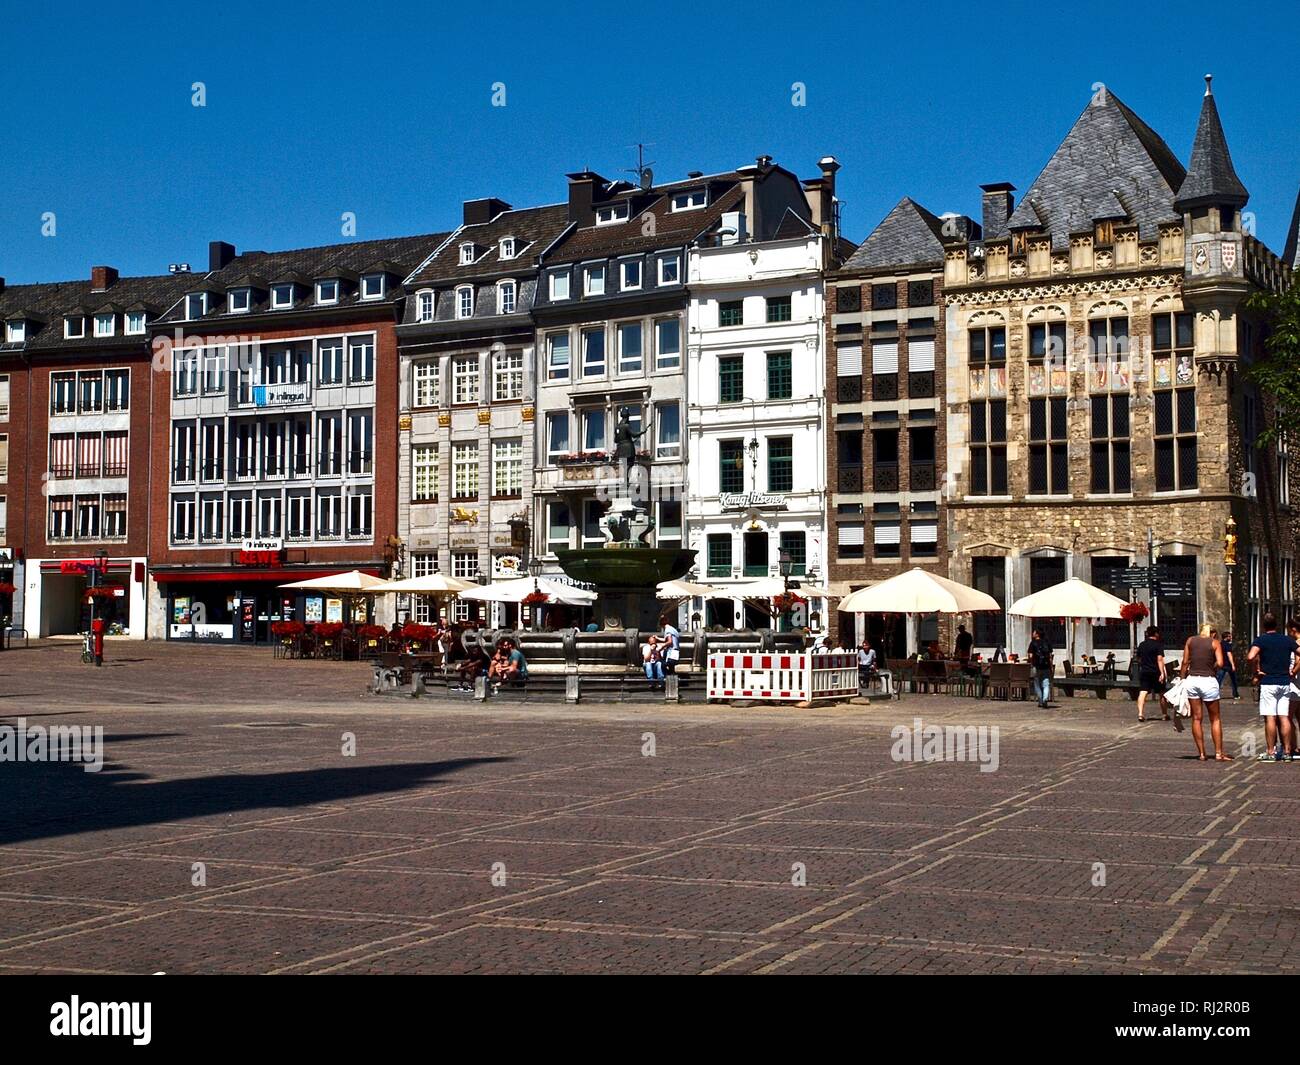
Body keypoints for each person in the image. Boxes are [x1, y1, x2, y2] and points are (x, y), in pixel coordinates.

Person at [1247, 613, 1298, 762]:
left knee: (1270, 717)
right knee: (1284, 717)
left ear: (1263, 625)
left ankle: (1271, 751)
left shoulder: (1261, 640)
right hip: (1284, 682)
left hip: (1268, 681)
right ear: (1277, 625)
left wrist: (1257, 670)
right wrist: (1292, 670)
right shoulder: (1287, 640)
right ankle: (1288, 752)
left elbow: (1250, 656)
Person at [1183, 623, 1228, 762]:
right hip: (1208, 680)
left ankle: (1202, 753)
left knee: (1197, 718)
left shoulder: (1190, 640)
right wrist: (1212, 666)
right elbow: (1220, 663)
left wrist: (1182, 677)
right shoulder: (1214, 643)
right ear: (1212, 633)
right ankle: (1218, 753)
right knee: (1215, 718)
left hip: (1192, 680)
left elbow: (1185, 662)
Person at [1134, 625, 1169, 723]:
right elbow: (1160, 659)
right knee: (1162, 693)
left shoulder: (1142, 645)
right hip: (1156, 672)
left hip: (1145, 671)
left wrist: (1144, 664)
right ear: (1156, 634)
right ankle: (1164, 714)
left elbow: (1138, 658)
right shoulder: (1158, 645)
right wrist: (1162, 673)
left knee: (1143, 692)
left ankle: (1140, 713)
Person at [1027, 628, 1053, 708]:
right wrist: (1051, 666)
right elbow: (1050, 656)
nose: (1032, 633)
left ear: (1037, 634)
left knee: (1037, 684)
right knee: (1046, 683)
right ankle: (1045, 699)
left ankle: (1041, 700)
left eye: (1034, 632)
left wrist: (1031, 662)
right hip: (1046, 666)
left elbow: (1030, 656)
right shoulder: (1047, 642)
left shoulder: (1033, 643)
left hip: (1036, 666)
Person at [1216, 630, 1239, 700]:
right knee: (1234, 680)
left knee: (1218, 681)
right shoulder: (1228, 645)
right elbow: (1229, 655)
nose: (1231, 637)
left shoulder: (1219, 644)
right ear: (1226, 637)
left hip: (1222, 665)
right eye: (1229, 636)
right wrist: (1233, 665)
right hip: (1228, 665)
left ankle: (1215, 694)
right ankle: (1236, 695)